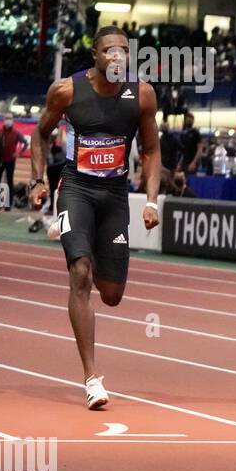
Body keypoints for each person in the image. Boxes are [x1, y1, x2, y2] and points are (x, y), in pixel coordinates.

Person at [27, 26, 162, 409]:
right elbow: (40, 135)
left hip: (116, 195)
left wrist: (151, 202)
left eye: (123, 51)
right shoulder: (66, 91)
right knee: (80, 273)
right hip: (76, 189)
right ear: (95, 57)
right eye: (109, 51)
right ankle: (92, 378)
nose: (117, 57)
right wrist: (38, 179)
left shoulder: (142, 94)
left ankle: (91, 244)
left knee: (112, 295)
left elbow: (151, 150)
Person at [0, 113, 28, 210]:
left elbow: (25, 143)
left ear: (12, 120)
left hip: (10, 160)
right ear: (3, 120)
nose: (8, 120)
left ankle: (8, 204)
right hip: (0, 160)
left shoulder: (16, 133)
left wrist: (19, 153)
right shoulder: (0, 132)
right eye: (6, 118)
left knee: (9, 181)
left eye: (10, 118)